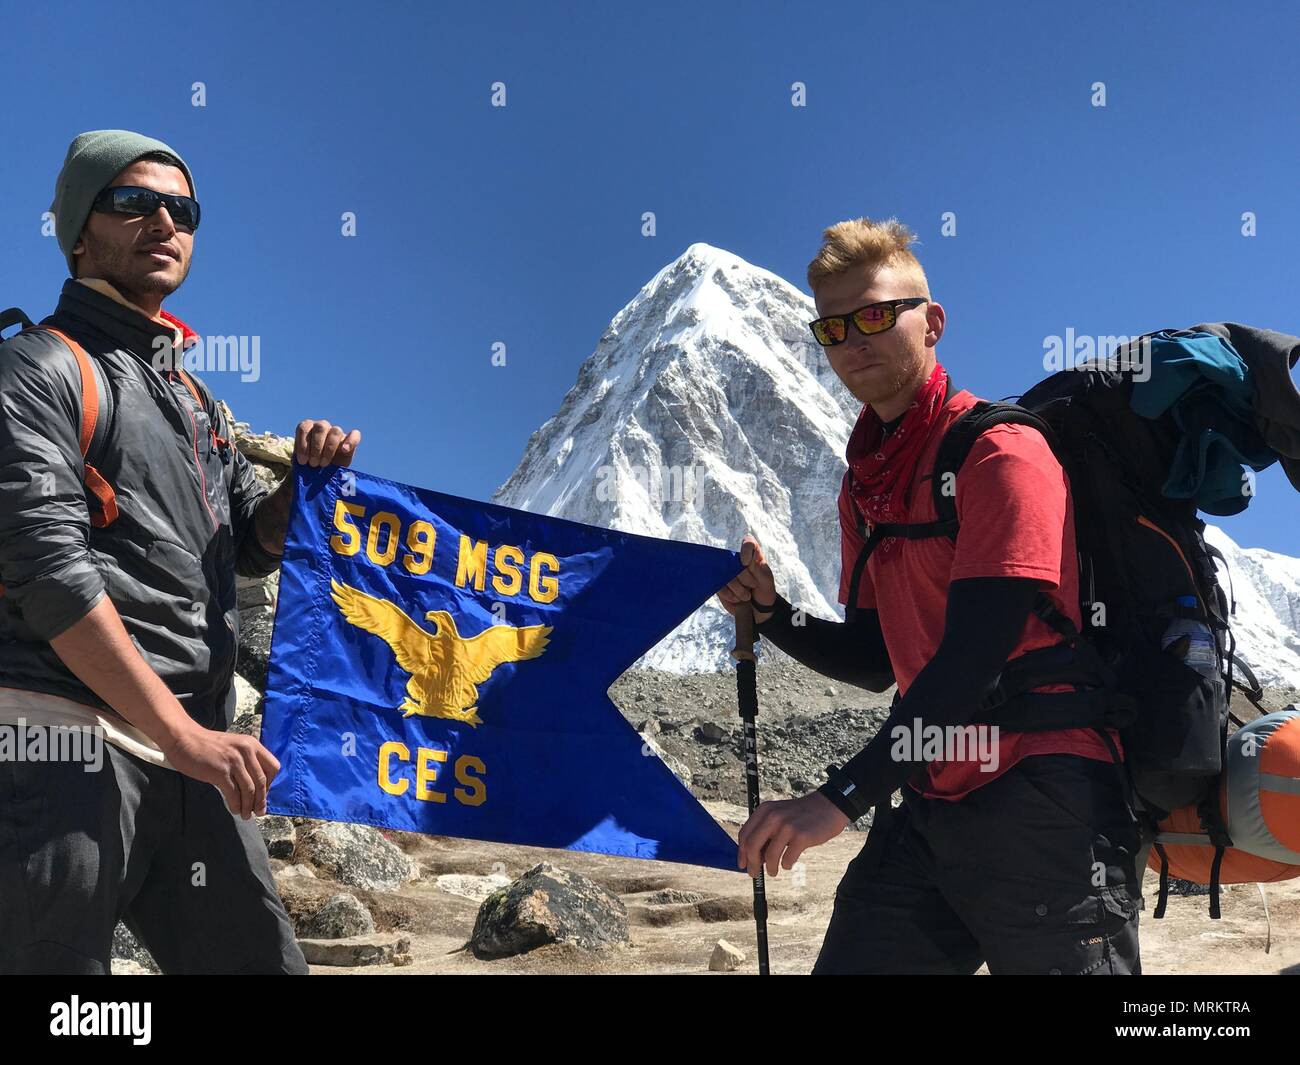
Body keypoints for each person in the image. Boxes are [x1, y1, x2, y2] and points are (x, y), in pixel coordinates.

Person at [717, 216, 1142, 975]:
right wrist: (771, 614)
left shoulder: (999, 452)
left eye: (877, 315)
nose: (855, 340)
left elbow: (970, 662)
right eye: (835, 327)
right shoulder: (868, 486)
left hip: (1044, 795)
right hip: (933, 797)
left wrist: (838, 797)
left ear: (933, 321)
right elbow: (879, 659)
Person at [0, 129, 360, 974]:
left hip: (193, 756)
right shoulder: (37, 369)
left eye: (182, 209)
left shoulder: (195, 397)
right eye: (133, 201)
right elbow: (48, 572)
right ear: (79, 233)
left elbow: (243, 547)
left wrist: (296, 495)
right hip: (63, 743)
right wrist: (182, 734)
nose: (163, 219)